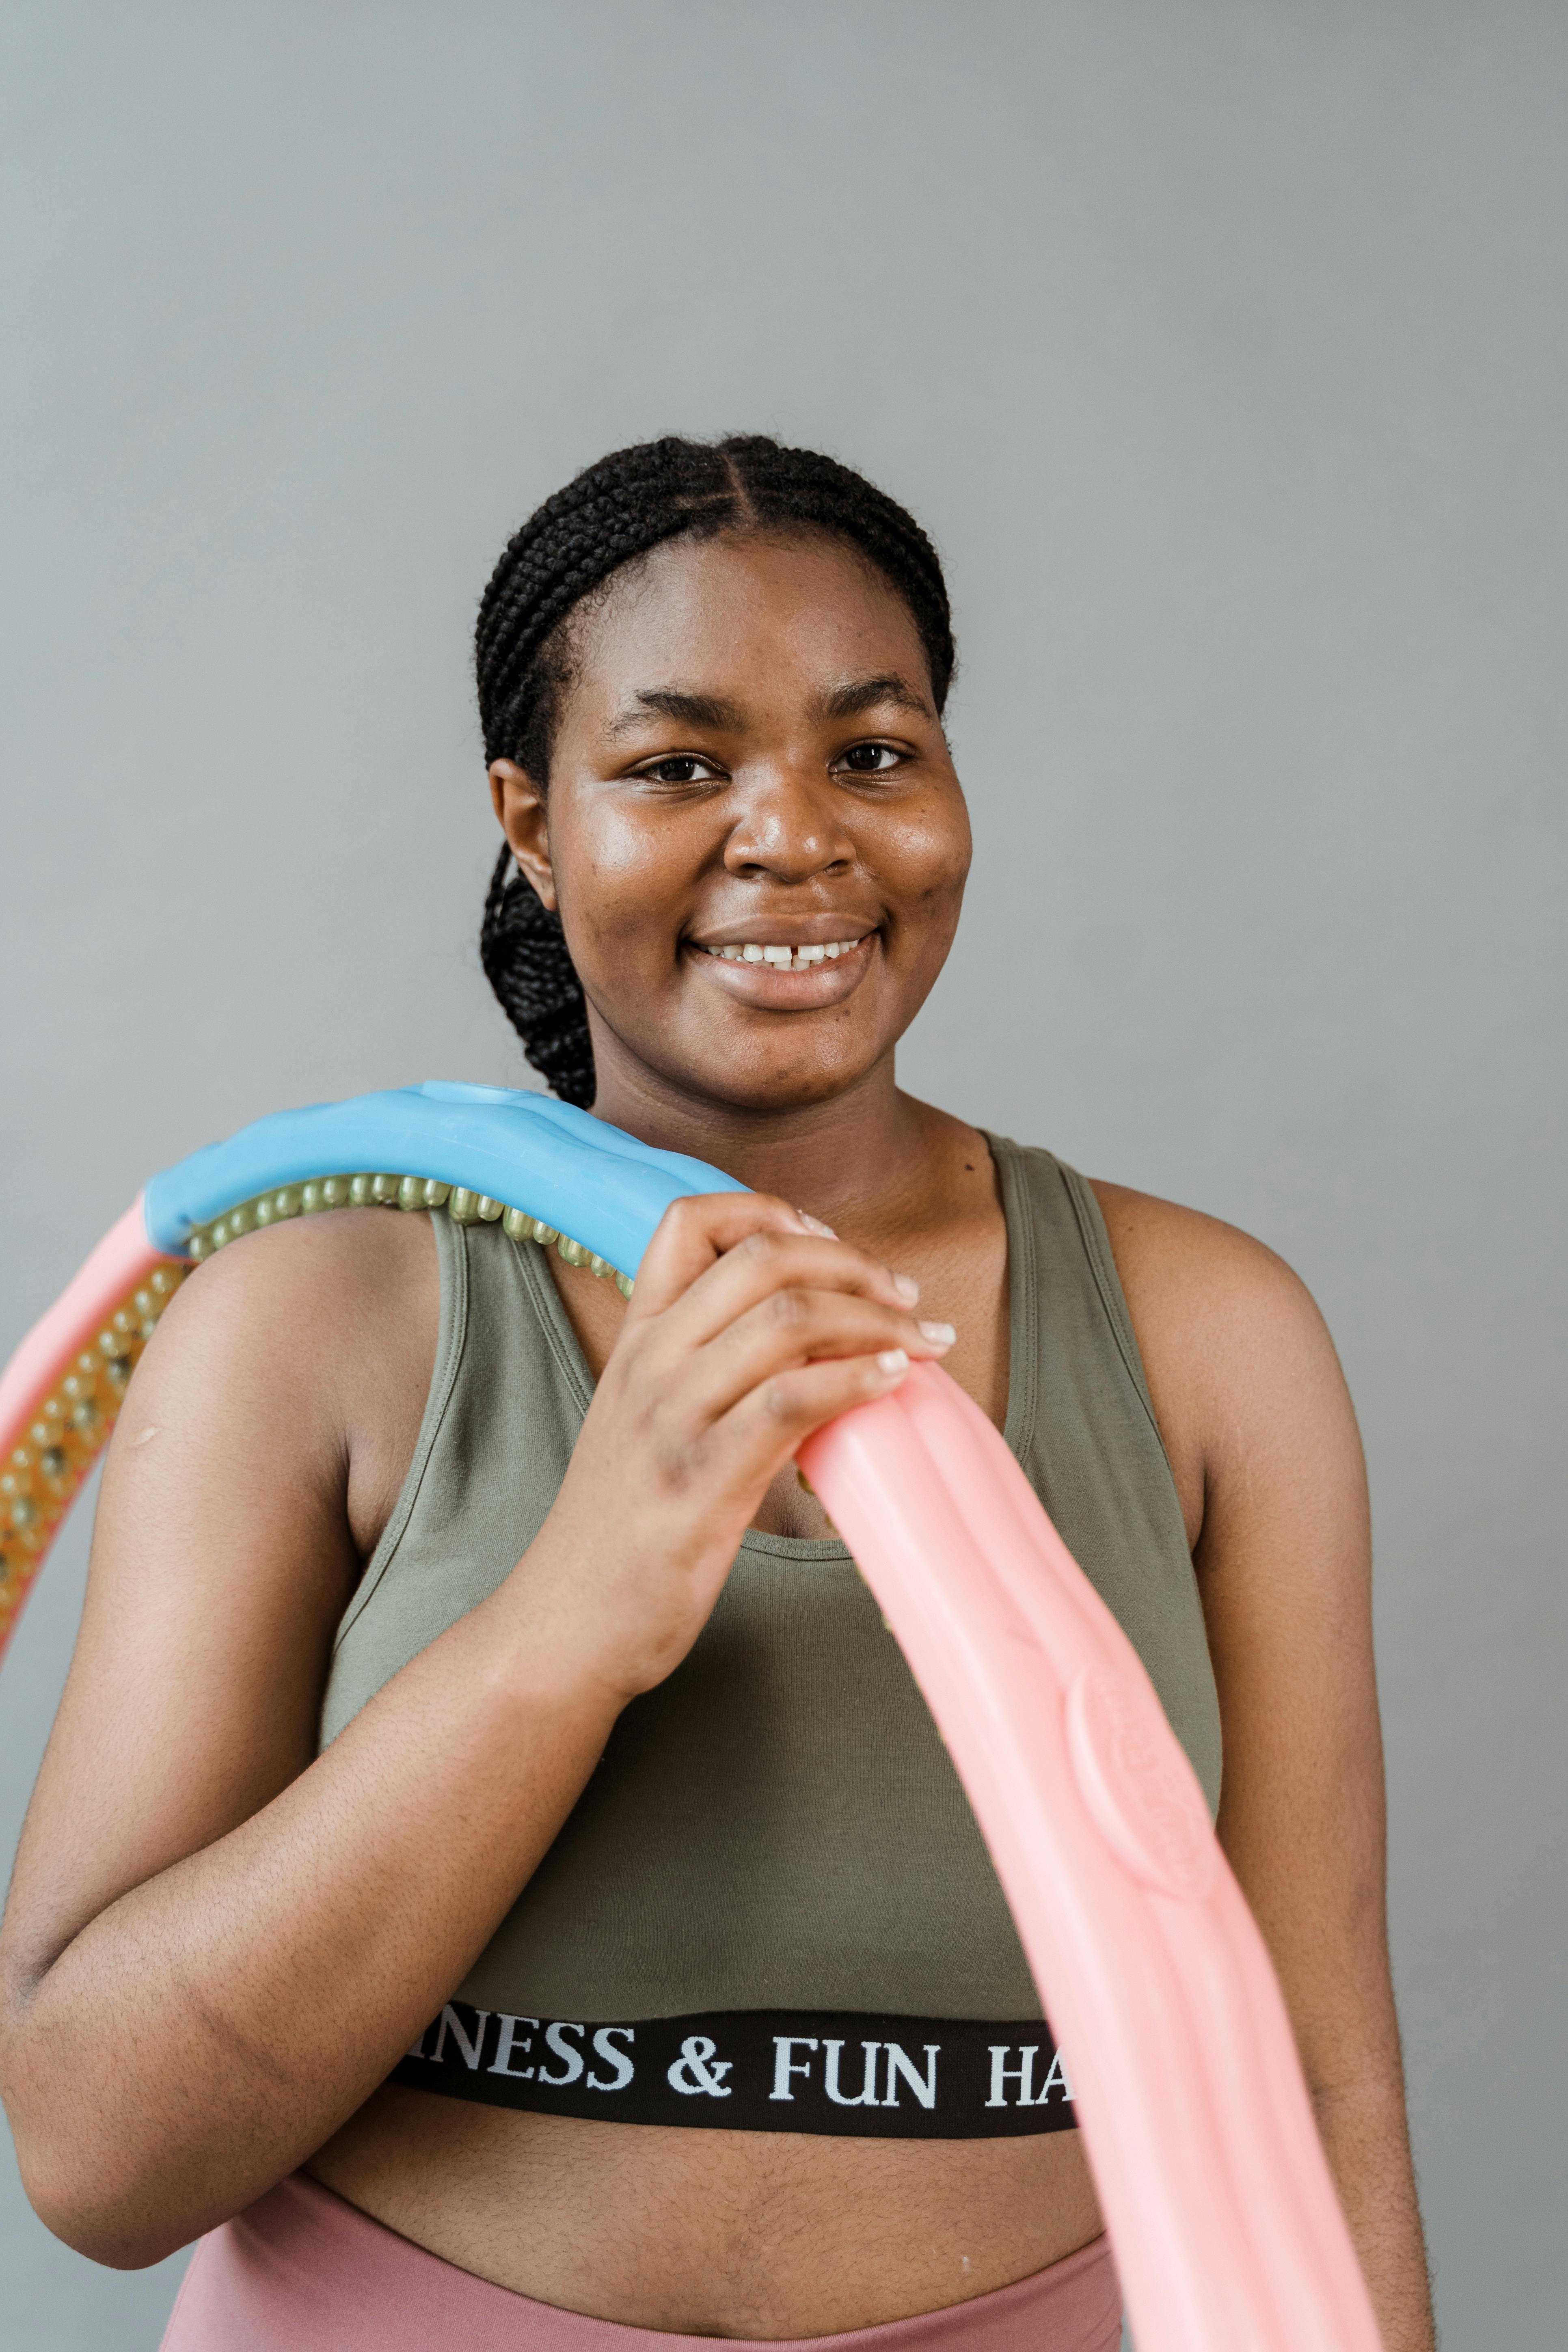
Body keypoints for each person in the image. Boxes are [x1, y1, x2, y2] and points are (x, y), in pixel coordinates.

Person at [0, 436, 1434, 2350]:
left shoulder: (1209, 1332)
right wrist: (568, 1618)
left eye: (872, 752)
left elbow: (1321, 2084)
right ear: (530, 819)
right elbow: (96, 2155)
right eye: (679, 765)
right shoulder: (312, 1316)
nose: (795, 837)